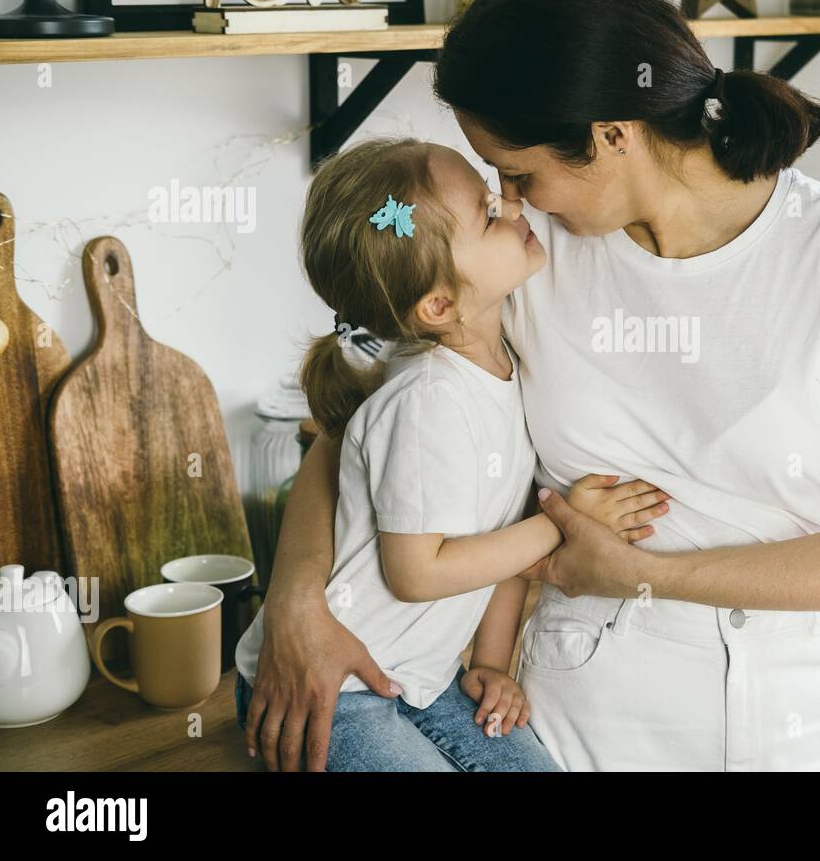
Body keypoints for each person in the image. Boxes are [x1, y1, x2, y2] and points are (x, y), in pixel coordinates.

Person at [248, 0, 820, 772]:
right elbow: (355, 436)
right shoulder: (521, 257)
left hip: (813, 719)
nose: (513, 200)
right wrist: (296, 602)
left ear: (610, 135)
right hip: (583, 720)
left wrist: (640, 572)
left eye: (520, 174)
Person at [234, 136, 668, 770]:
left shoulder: (502, 363)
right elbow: (419, 573)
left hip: (421, 678)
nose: (515, 210)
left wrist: (492, 665)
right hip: (335, 687)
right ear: (438, 305)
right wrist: (563, 524)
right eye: (490, 214)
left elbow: (497, 543)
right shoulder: (426, 404)